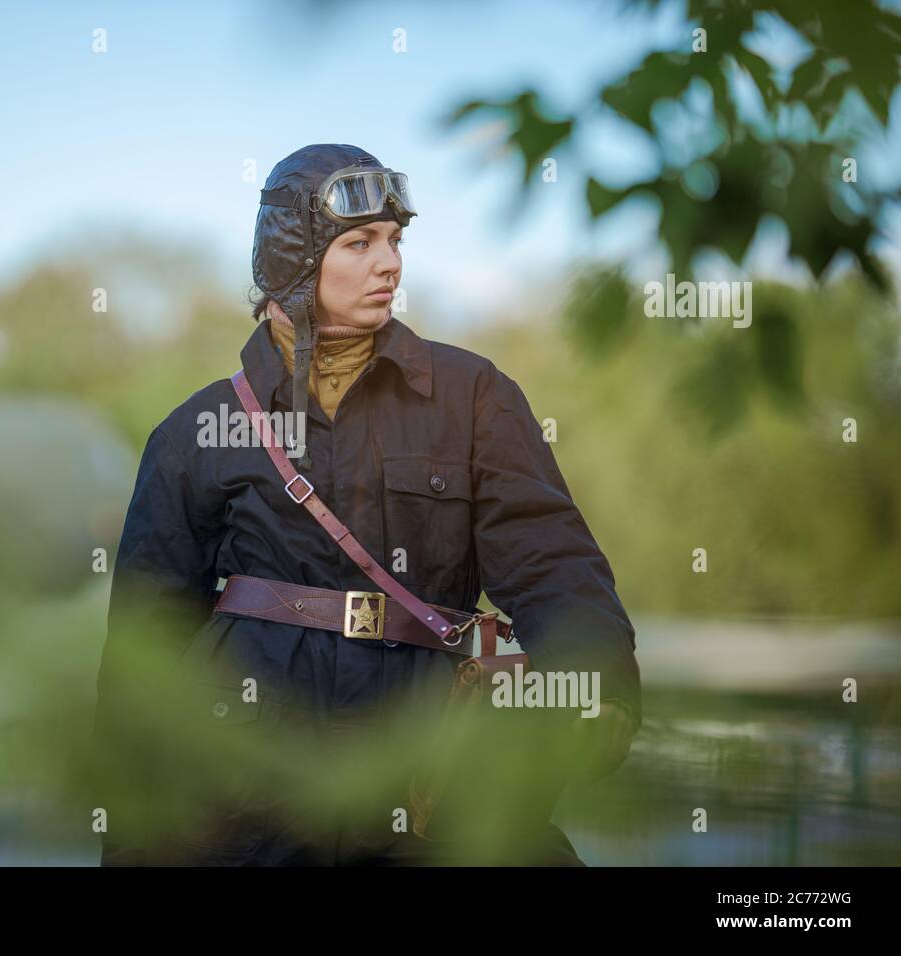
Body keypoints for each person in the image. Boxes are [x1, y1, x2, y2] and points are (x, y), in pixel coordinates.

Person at [89, 143, 641, 866]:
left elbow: (550, 560)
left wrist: (595, 684)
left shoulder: (473, 397)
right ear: (293, 259)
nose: (391, 263)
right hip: (242, 798)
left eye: (395, 241)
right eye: (360, 243)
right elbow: (145, 648)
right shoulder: (196, 431)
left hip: (424, 774)